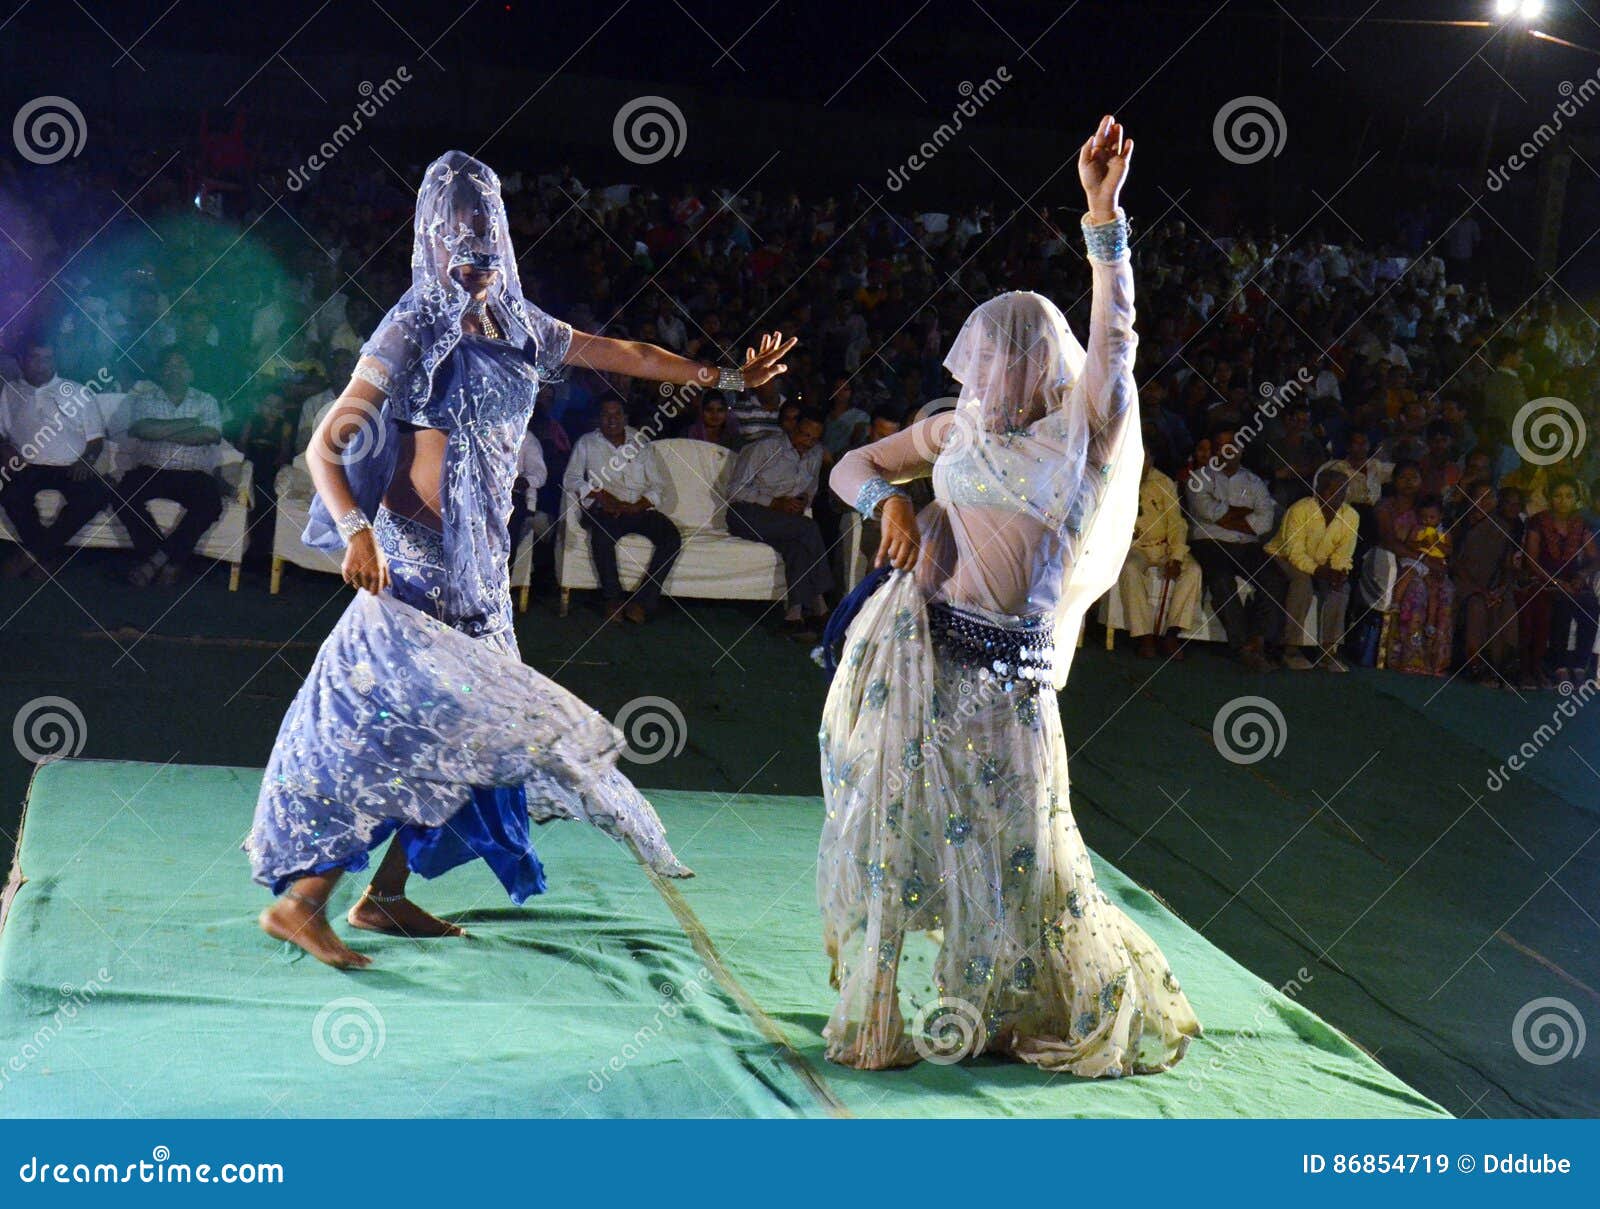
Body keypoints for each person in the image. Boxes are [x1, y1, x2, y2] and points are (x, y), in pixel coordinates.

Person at [246, 152, 795, 969]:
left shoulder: (520, 323)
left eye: (483, 226)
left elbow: (632, 353)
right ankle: (301, 903)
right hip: (414, 575)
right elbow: (331, 442)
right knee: (396, 736)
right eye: (457, 226)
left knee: (474, 746)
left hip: (481, 579)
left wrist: (722, 374)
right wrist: (356, 531)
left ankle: (385, 895)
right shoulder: (414, 318)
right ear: (433, 232)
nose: (471, 242)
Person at [818, 117, 1198, 1075]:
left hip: (1013, 681)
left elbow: (1117, 334)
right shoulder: (956, 431)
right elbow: (849, 465)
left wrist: (1101, 216)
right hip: (923, 656)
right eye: (978, 356)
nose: (984, 372)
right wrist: (888, 507)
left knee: (1013, 851)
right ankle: (877, 1021)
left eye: (1002, 355)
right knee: (897, 834)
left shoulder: (1085, 434)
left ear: (1043, 362)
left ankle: (992, 1005)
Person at [562, 397, 683, 623]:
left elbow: (658, 486)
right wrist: (598, 493)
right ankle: (612, 600)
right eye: (606, 414)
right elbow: (571, 479)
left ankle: (642, 602)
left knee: (671, 537)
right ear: (599, 419)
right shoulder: (587, 443)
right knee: (601, 537)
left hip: (637, 508)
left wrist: (639, 505)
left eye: (617, 414)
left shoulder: (641, 442)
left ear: (625, 418)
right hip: (607, 509)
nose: (612, 420)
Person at [0, 334, 111, 579]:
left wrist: (86, 460)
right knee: (10, 494)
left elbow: (96, 440)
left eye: (48, 359)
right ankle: (47, 556)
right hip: (27, 465)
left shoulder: (78, 391)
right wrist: (4, 450)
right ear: (22, 361)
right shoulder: (10, 391)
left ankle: (32, 553)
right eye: (35, 359)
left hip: (70, 466)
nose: (41, 365)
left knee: (97, 493)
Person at [115, 347, 226, 586]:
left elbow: (209, 435)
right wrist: (187, 423)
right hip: (150, 469)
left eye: (181, 366)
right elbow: (142, 430)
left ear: (191, 373)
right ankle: (168, 560)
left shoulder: (206, 400)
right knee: (122, 497)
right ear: (161, 372)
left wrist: (161, 431)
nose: (175, 371)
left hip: (193, 473)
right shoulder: (145, 399)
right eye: (169, 366)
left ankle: (155, 560)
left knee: (211, 503)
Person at [725, 409, 833, 639]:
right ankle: (821, 605)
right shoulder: (764, 449)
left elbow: (810, 490)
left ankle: (793, 618)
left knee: (797, 547)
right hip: (746, 513)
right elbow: (735, 491)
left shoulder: (814, 455)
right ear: (793, 429)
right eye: (804, 435)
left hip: (783, 519)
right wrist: (774, 502)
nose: (808, 443)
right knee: (809, 528)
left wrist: (802, 500)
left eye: (814, 438)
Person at [1185, 426, 1280, 671]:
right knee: (1221, 580)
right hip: (1210, 543)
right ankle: (1241, 646)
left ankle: (1257, 641)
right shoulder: (1199, 478)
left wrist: (1226, 515)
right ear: (1215, 450)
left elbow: (1265, 520)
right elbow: (1208, 512)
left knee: (1274, 578)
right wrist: (1246, 515)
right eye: (1222, 446)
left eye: (1233, 445)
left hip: (1246, 545)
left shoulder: (1254, 481)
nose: (1228, 451)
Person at [1264, 466, 1357, 671]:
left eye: (1342, 491)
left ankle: (1328, 651)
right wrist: (1319, 571)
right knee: (1302, 583)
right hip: (1282, 556)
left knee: (1341, 588)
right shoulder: (1300, 509)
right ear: (1318, 491)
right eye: (1331, 490)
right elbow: (1294, 552)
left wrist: (1339, 572)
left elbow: (1343, 554)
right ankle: (1291, 647)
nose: (1337, 496)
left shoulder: (1351, 516)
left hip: (1320, 562)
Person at [1118, 446, 1201, 657]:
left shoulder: (1163, 482)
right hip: (1134, 547)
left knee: (1193, 571)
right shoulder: (1118, 478)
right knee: (1129, 569)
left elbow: (1176, 523)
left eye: (1145, 459)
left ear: (1152, 460)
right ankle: (1145, 636)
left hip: (1163, 545)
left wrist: (1176, 556)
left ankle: (1172, 634)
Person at [1520, 476, 1598, 687]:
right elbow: (1531, 560)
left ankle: (1581, 665)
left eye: (1569, 496)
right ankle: (1559, 665)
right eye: (1558, 496)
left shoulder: (1581, 524)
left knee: (1590, 604)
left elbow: (1595, 558)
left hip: (1572, 580)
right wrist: (1555, 582)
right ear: (1549, 498)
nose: (1563, 501)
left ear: (1576, 499)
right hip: (1543, 579)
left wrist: (1582, 576)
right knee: (1562, 605)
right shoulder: (1538, 522)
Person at [1379, 472, 1455, 676]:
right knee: (1416, 587)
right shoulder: (1405, 519)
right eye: (1404, 478)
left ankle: (1437, 658)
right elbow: (1401, 544)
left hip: (1435, 567)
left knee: (1444, 590)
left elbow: (1448, 550)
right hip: (1411, 563)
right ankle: (1409, 656)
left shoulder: (1442, 532)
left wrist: (1438, 555)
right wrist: (1422, 549)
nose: (1408, 483)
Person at [1452, 483, 1518, 686]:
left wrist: (1501, 588)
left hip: (1493, 585)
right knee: (1477, 605)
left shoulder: (1502, 527)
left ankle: (1505, 666)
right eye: (1479, 497)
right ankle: (1476, 665)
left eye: (1490, 498)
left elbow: (1507, 566)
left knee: (1506, 604)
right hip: (1464, 583)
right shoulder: (1460, 525)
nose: (1485, 502)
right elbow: (1454, 563)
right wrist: (1479, 589)